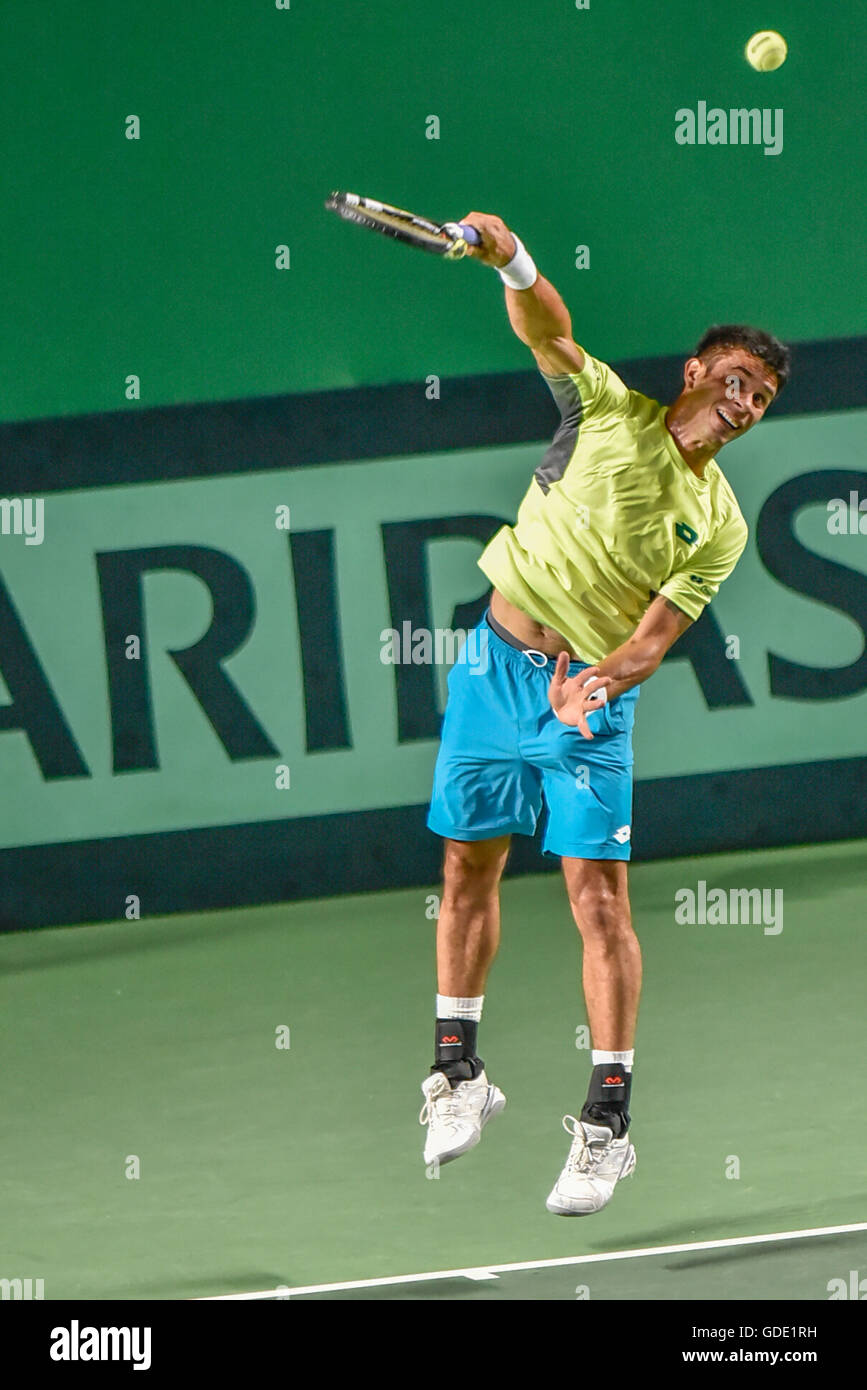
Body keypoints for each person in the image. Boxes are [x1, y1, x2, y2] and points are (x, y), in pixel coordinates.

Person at [419, 211, 790, 1215]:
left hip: (588, 703)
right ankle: (459, 1076)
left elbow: (657, 636)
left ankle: (606, 1125)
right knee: (465, 866)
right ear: (696, 370)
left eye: (760, 394)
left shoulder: (719, 525)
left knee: (597, 902)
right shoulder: (606, 410)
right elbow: (547, 329)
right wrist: (514, 260)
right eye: (734, 376)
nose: (745, 397)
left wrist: (605, 680)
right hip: (495, 668)